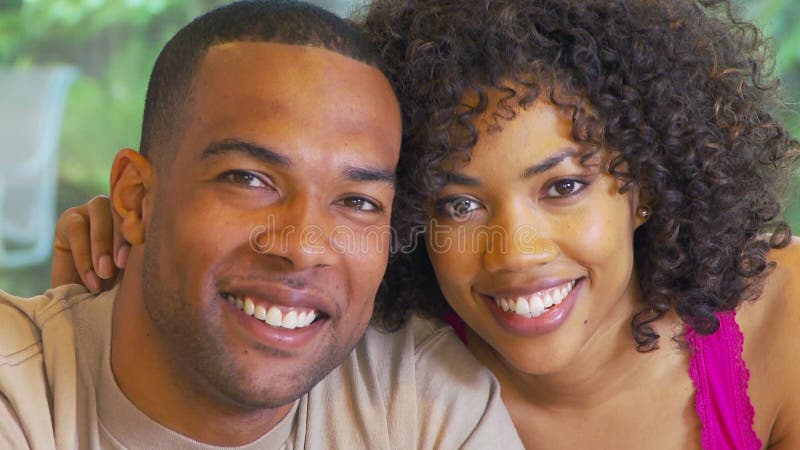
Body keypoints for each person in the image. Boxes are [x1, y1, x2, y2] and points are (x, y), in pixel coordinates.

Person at [55, 0, 800, 448]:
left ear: (644, 182)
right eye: (458, 204)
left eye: (564, 186)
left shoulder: (782, 320)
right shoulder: (387, 356)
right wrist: (146, 239)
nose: (515, 253)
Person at [0, 1, 524, 449]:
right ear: (135, 200)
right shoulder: (18, 386)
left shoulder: (426, 402)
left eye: (358, 201)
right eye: (249, 179)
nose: (302, 247)